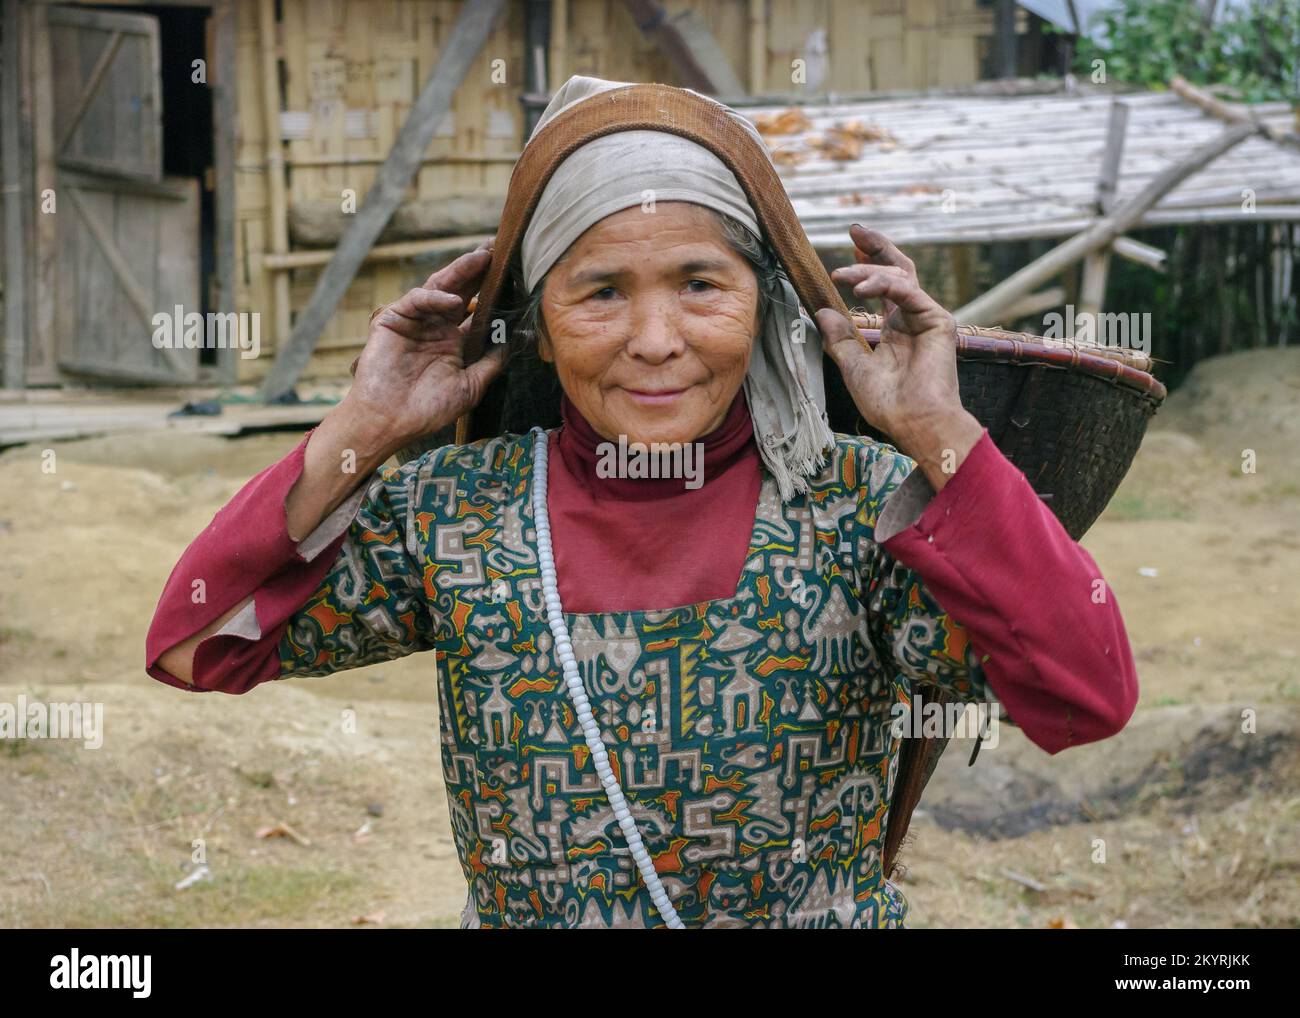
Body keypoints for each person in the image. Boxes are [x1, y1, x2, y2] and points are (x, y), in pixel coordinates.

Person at [146, 75, 1138, 929]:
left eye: (701, 283)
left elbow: (1086, 694)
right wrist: (363, 425)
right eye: (602, 292)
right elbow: (198, 645)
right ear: (537, 319)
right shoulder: (456, 513)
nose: (655, 338)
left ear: (763, 309)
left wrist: (938, 437)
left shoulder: (859, 508)